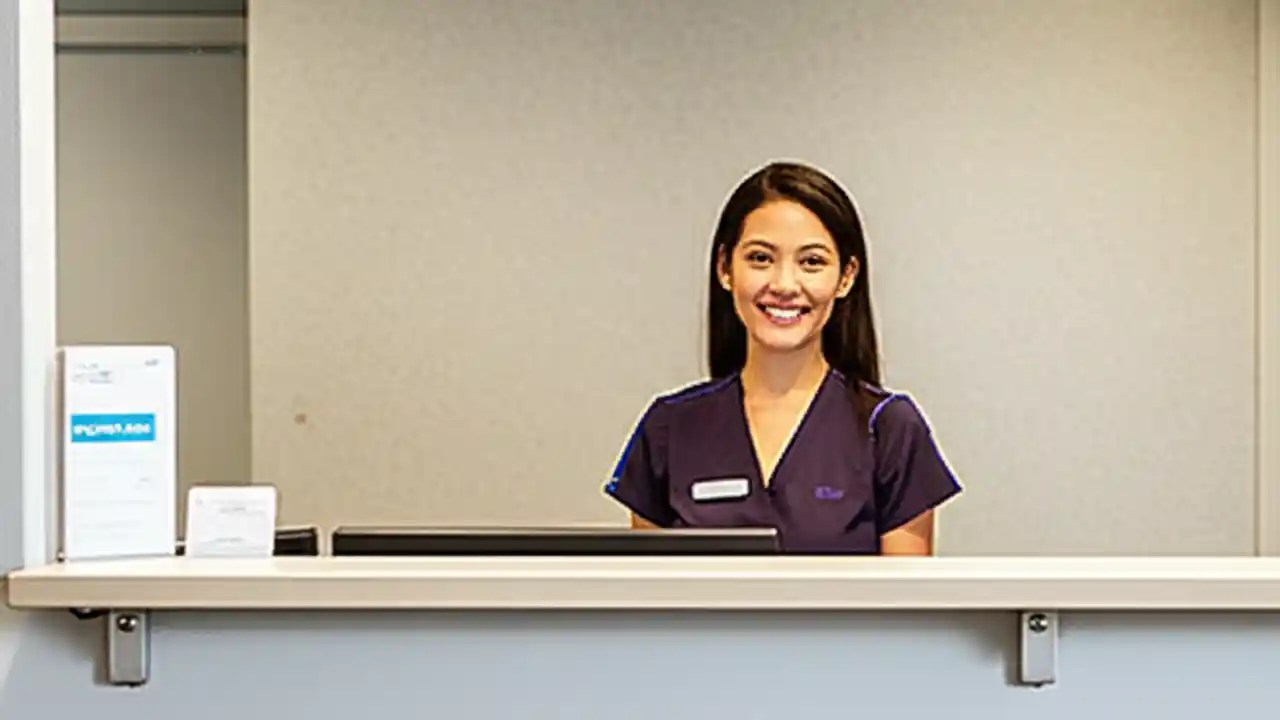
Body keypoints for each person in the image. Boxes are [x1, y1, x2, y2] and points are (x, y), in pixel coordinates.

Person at [603, 160, 961, 555]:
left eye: (812, 262)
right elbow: (648, 589)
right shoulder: (669, 427)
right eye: (760, 258)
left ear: (846, 277)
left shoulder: (889, 429)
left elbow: (907, 594)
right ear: (725, 268)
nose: (784, 285)